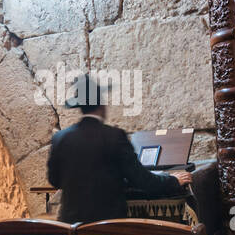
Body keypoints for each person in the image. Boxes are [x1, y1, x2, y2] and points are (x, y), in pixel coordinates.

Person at [47, 73, 192, 224]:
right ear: (102, 106)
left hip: (71, 225)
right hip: (107, 226)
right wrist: (173, 180)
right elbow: (141, 180)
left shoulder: (60, 138)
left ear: (80, 107)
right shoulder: (114, 136)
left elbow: (54, 180)